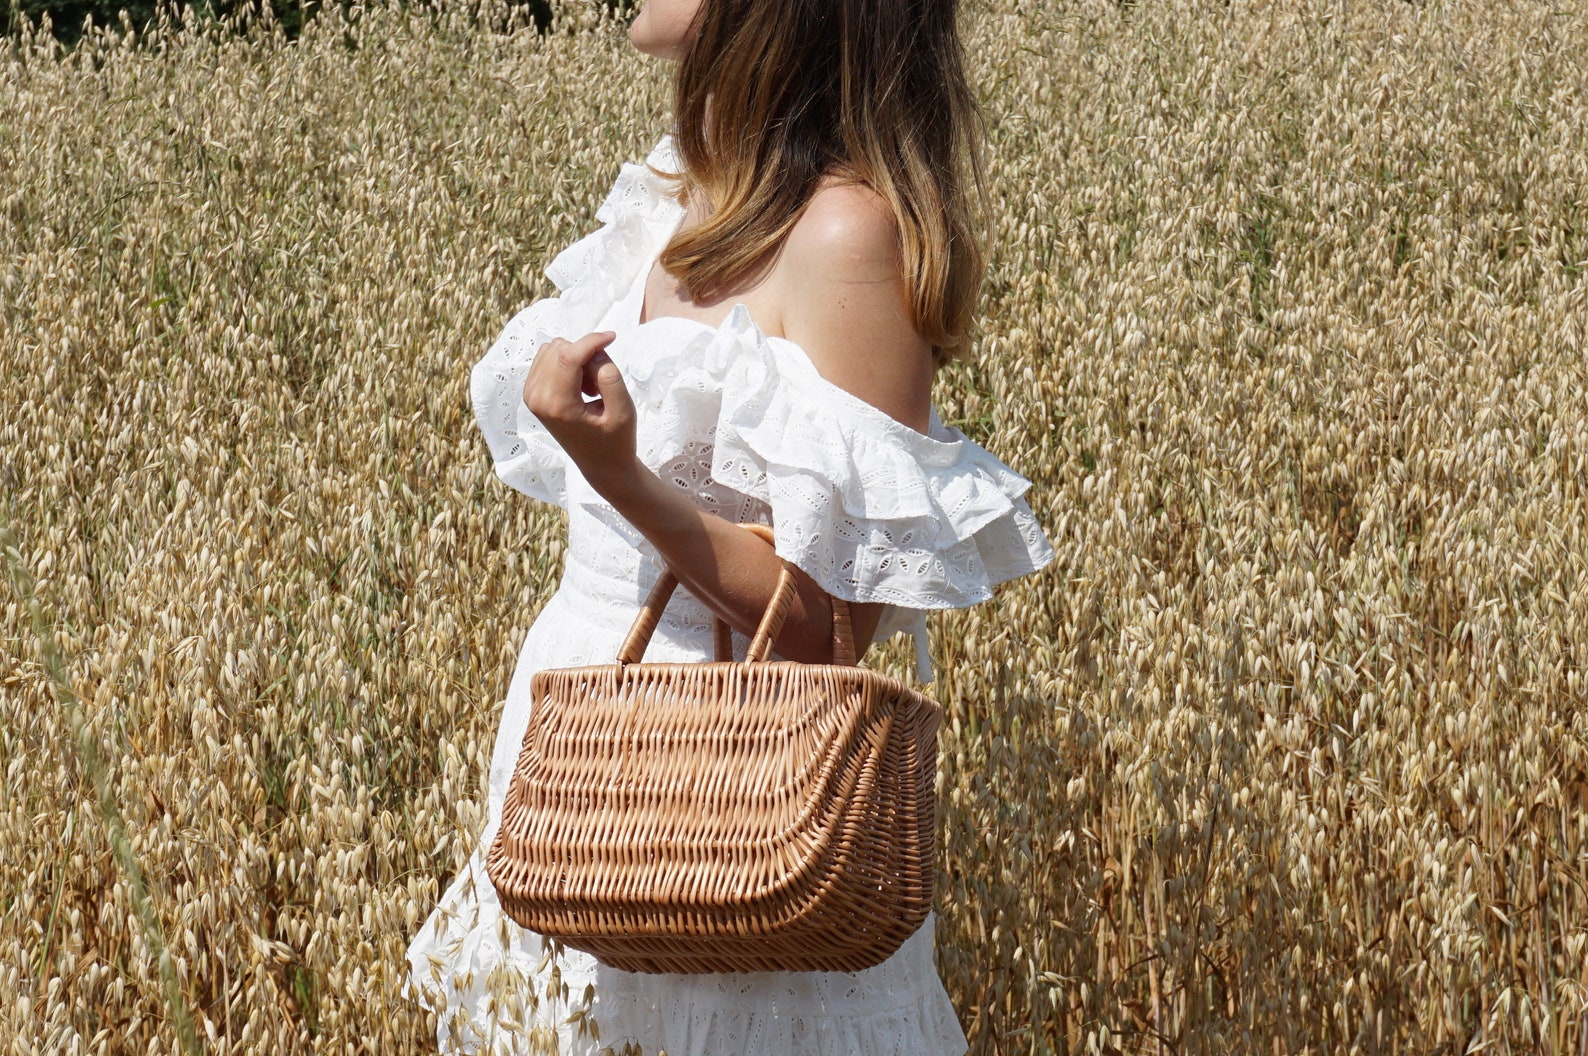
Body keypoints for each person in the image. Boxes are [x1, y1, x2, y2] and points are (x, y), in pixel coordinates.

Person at [405, 0, 1055, 1051]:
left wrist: (620, 474)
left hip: (732, 811)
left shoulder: (845, 236)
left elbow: (829, 628)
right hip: (581, 774)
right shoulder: (675, 192)